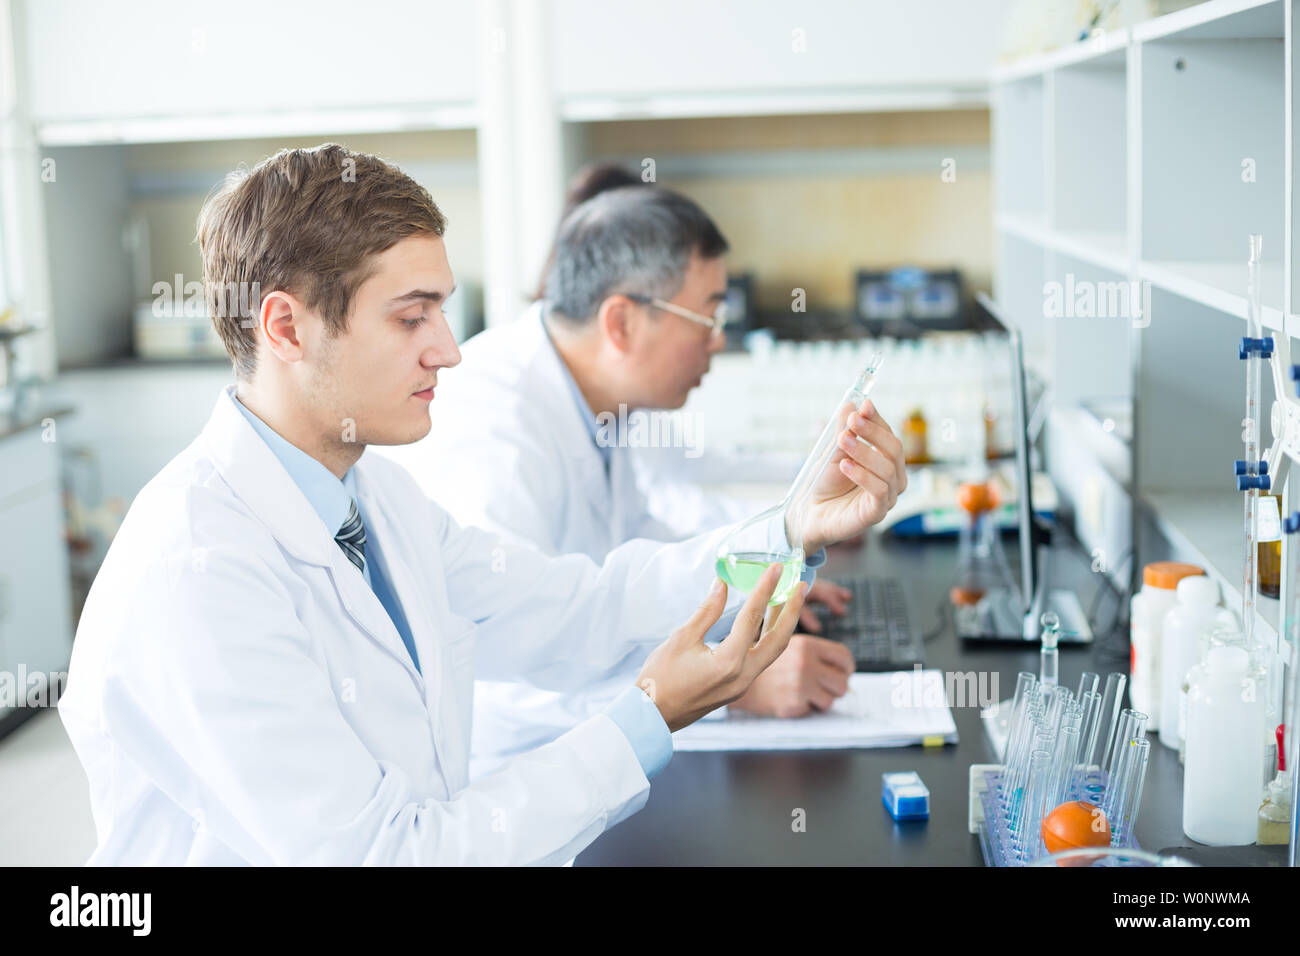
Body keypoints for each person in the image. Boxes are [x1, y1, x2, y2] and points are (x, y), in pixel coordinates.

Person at [57, 145, 905, 865]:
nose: (450, 351)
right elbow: (386, 856)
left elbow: (574, 608)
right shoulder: (200, 571)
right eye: (410, 317)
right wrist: (651, 714)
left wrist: (792, 529)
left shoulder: (373, 496)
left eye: (443, 311)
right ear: (286, 328)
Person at [382, 186, 905, 778]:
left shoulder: (596, 401)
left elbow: (627, 563)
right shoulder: (494, 435)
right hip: (521, 778)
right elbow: (512, 678)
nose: (719, 338)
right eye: (707, 315)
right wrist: (728, 692)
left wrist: (771, 571)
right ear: (622, 322)